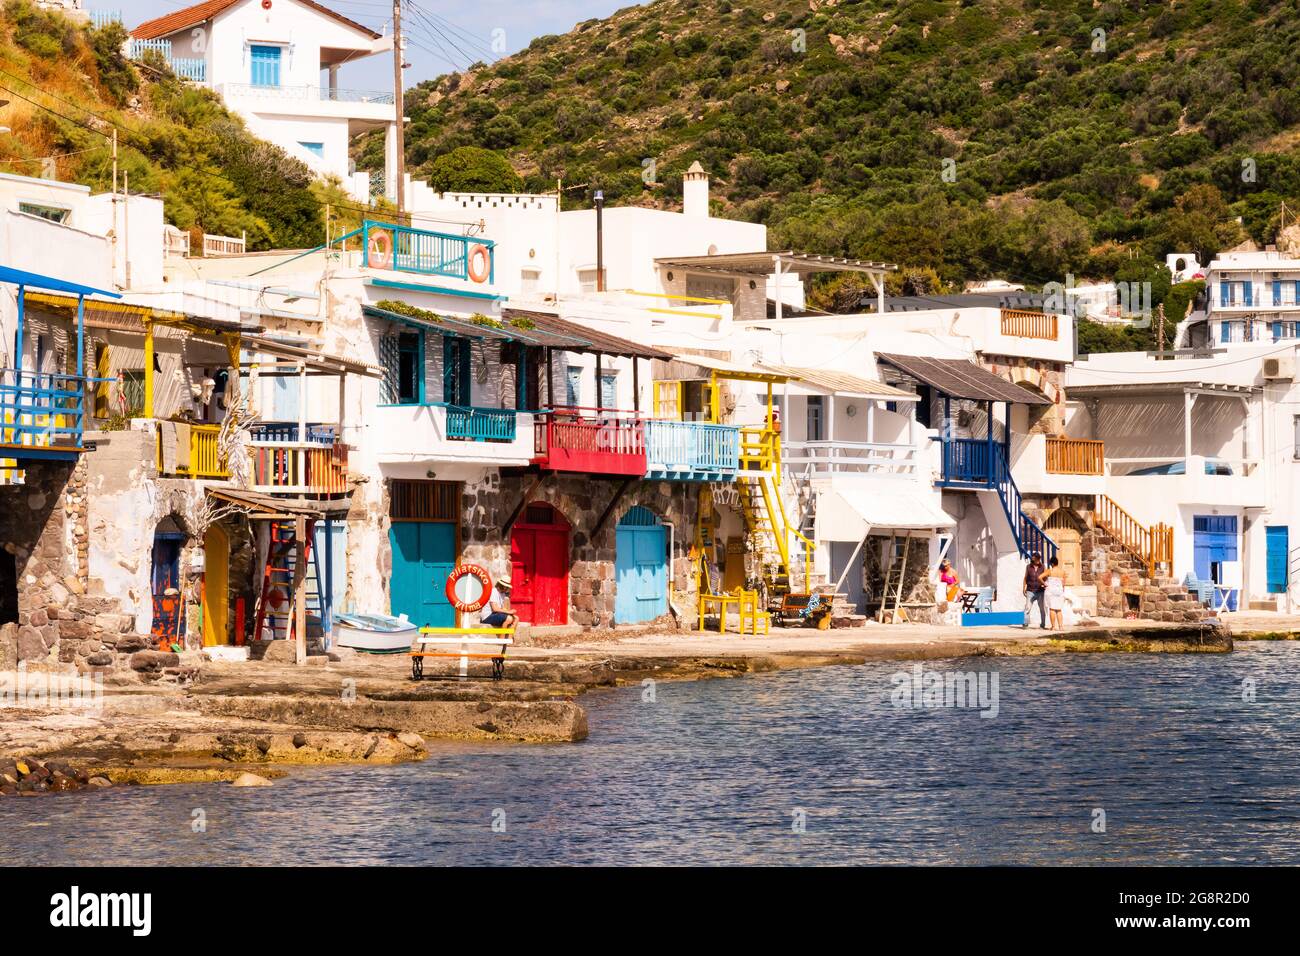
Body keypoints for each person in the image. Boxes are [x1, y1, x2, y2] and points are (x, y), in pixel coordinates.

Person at [1023, 551, 1047, 629]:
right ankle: (1025, 623)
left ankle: (1043, 624)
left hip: (1040, 591)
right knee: (1027, 608)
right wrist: (1023, 588)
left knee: (1042, 609)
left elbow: (1045, 578)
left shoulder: (1043, 567)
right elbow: (1025, 578)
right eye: (1036, 559)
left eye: (1038, 559)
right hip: (1030, 590)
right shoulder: (1028, 567)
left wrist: (1044, 583)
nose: (1038, 561)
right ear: (1034, 559)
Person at [1043, 556, 1066, 631]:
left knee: (1052, 609)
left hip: (1051, 591)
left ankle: (1053, 626)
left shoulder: (1049, 571)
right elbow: (1063, 584)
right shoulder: (1062, 572)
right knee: (1059, 609)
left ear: (1052, 564)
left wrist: (1044, 583)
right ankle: (1061, 626)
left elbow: (1039, 577)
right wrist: (1062, 590)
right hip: (1059, 592)